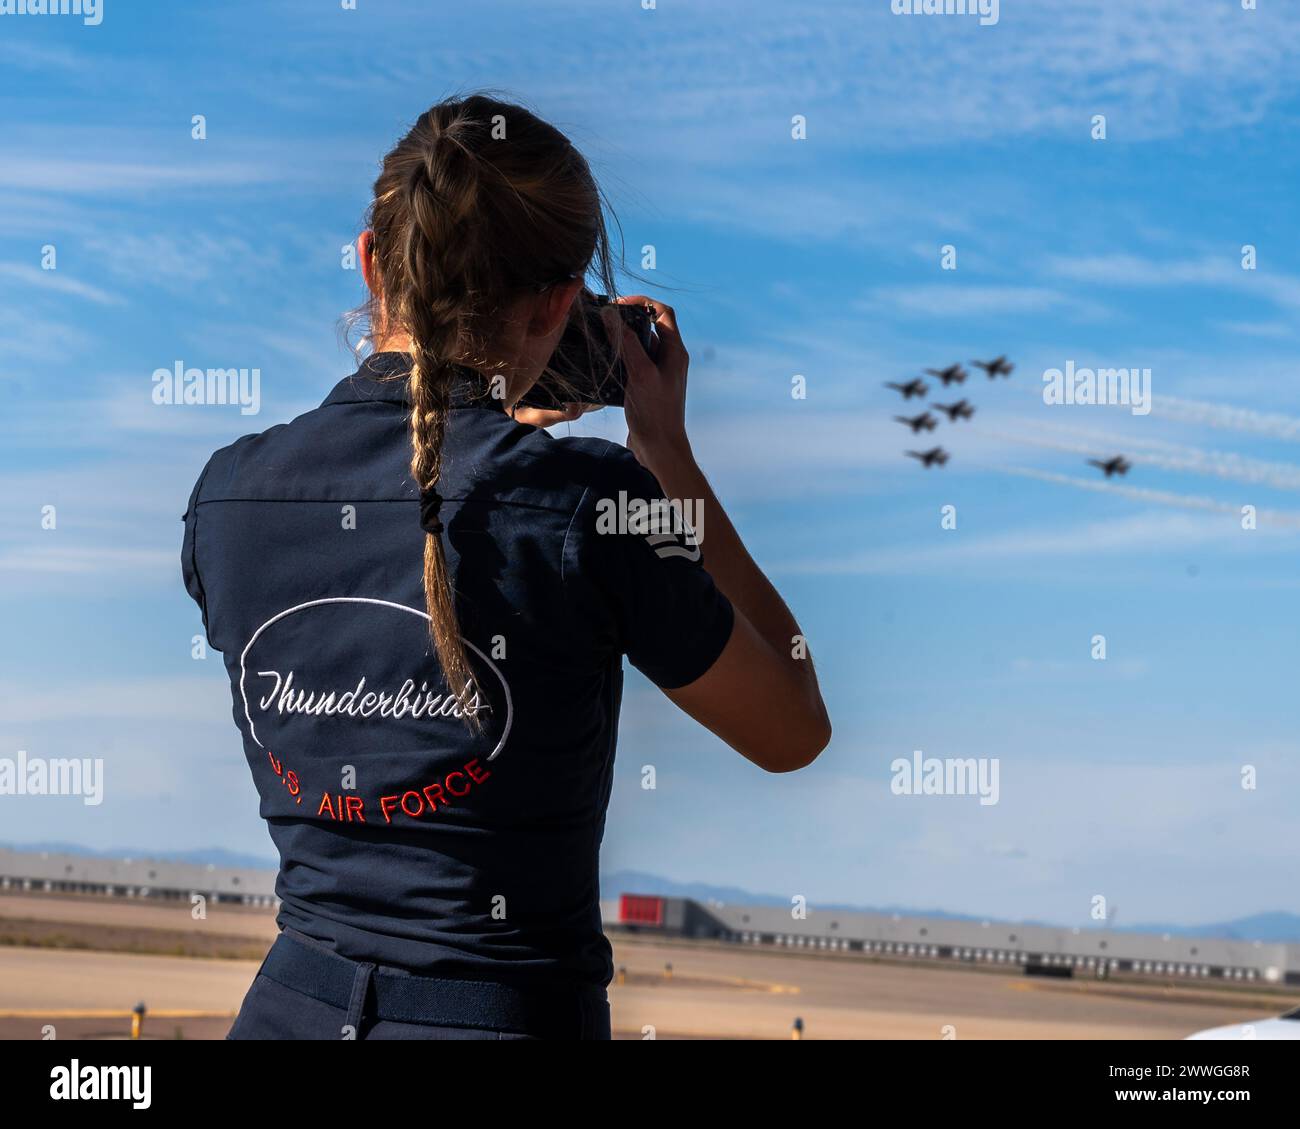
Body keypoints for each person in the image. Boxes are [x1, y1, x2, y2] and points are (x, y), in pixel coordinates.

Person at [181, 93, 830, 1040]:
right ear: (562, 304)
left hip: (290, 1009)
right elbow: (792, 724)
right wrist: (667, 456)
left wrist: (504, 440)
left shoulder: (228, 498)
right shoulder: (594, 504)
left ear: (370, 261)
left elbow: (416, 530)